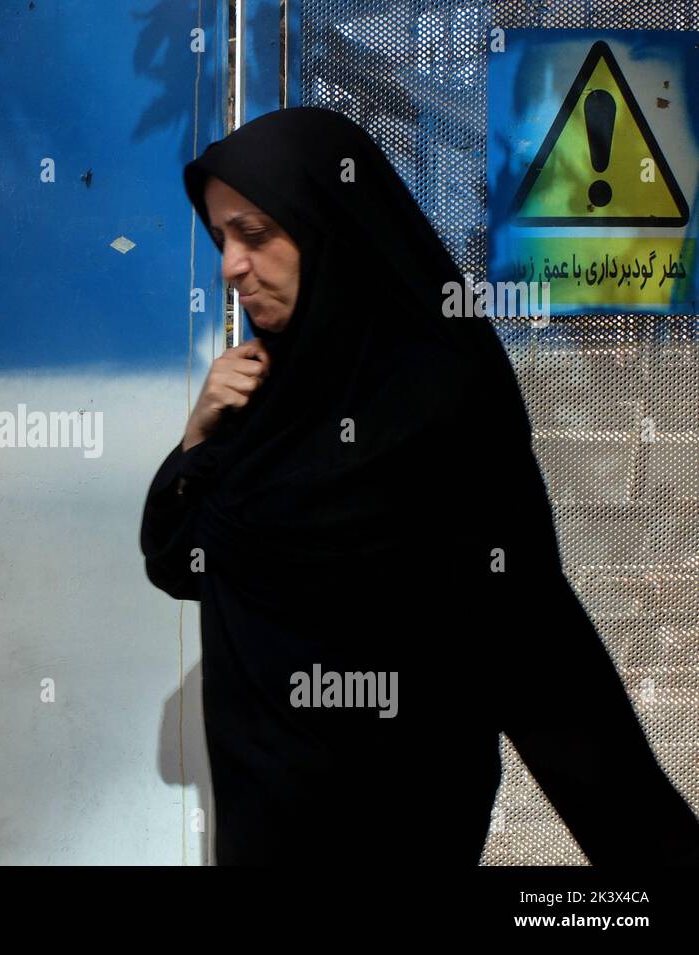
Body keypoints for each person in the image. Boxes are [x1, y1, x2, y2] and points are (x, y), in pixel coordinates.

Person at [140, 107, 699, 866]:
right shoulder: (261, 397)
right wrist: (199, 434)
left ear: (329, 223)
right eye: (221, 239)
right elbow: (177, 564)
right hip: (262, 836)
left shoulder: (439, 401)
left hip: (401, 827)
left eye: (256, 234)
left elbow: (537, 645)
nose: (231, 266)